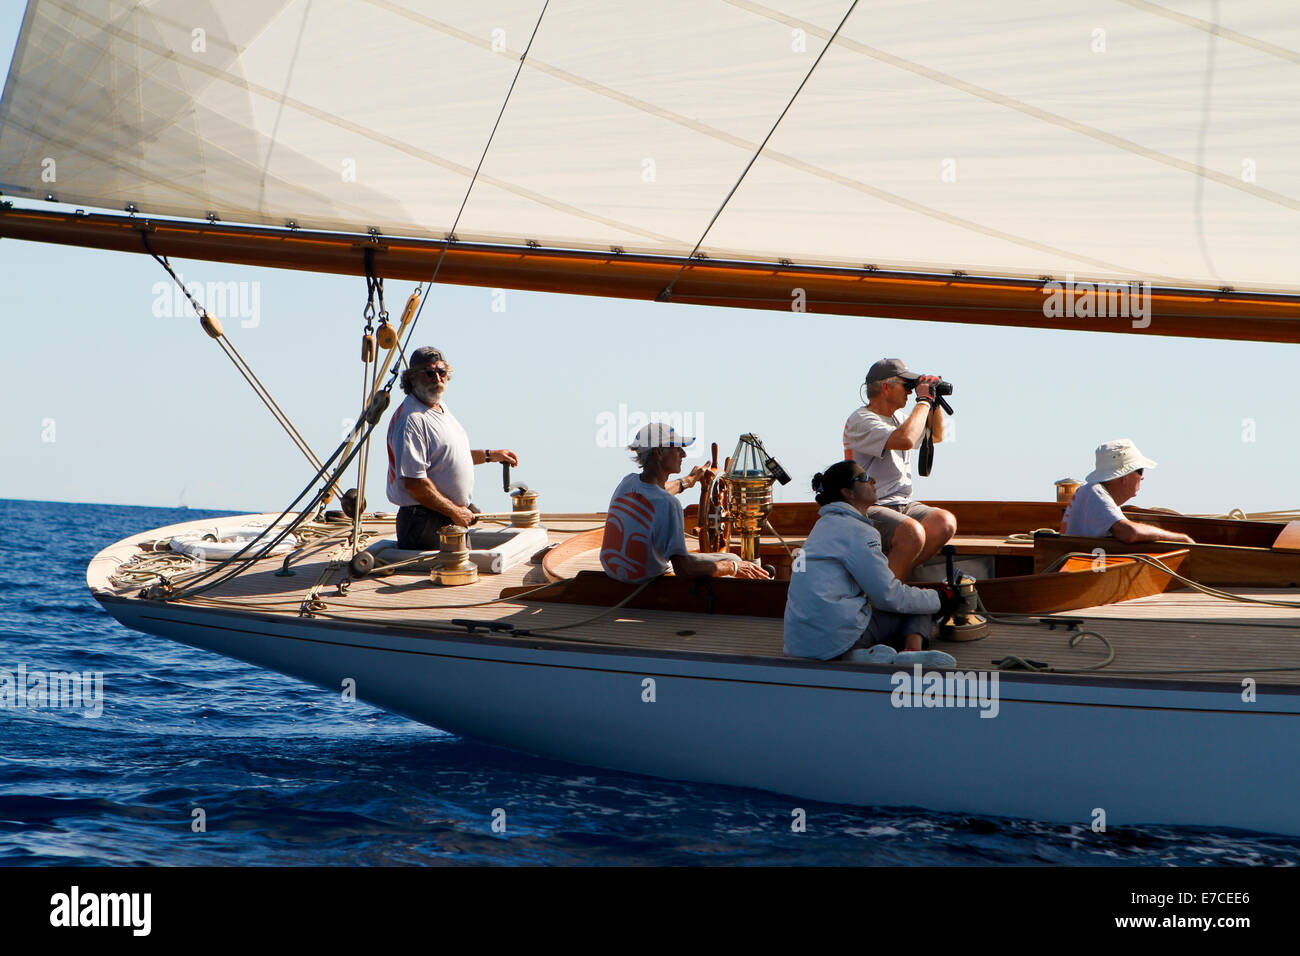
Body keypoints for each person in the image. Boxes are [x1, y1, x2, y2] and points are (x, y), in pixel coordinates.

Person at [784, 460, 956, 666]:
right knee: (919, 606)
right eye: (864, 478)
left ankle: (854, 655)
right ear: (848, 492)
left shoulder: (820, 528)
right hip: (836, 636)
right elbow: (888, 596)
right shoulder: (860, 531)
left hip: (801, 644)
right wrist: (940, 599)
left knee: (911, 601)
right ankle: (910, 653)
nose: (873, 480)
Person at [385, 346, 519, 550]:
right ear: (412, 379)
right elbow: (414, 482)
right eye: (429, 373)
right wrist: (455, 511)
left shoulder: (439, 408)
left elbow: (448, 457)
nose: (437, 378)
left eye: (442, 372)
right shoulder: (412, 419)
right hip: (424, 522)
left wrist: (490, 455)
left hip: (445, 517)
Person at [600, 423, 770, 582]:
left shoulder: (627, 483)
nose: (684, 454)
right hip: (647, 584)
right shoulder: (669, 504)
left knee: (731, 560)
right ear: (659, 452)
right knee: (733, 560)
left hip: (615, 576)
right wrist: (732, 568)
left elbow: (655, 493)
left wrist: (688, 481)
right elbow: (684, 569)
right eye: (677, 448)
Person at [843, 358, 957, 581]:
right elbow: (905, 439)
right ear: (885, 387)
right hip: (869, 507)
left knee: (945, 522)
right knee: (912, 533)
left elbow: (936, 436)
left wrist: (932, 402)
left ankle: (888, 577)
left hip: (903, 505)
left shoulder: (900, 418)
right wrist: (923, 399)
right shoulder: (861, 419)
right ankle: (888, 590)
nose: (909, 391)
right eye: (906, 385)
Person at [1061, 440, 1194, 543]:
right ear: (1125, 476)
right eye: (1140, 470)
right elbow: (1130, 533)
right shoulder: (1095, 492)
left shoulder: (1093, 493)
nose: (1142, 477)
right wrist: (1181, 538)